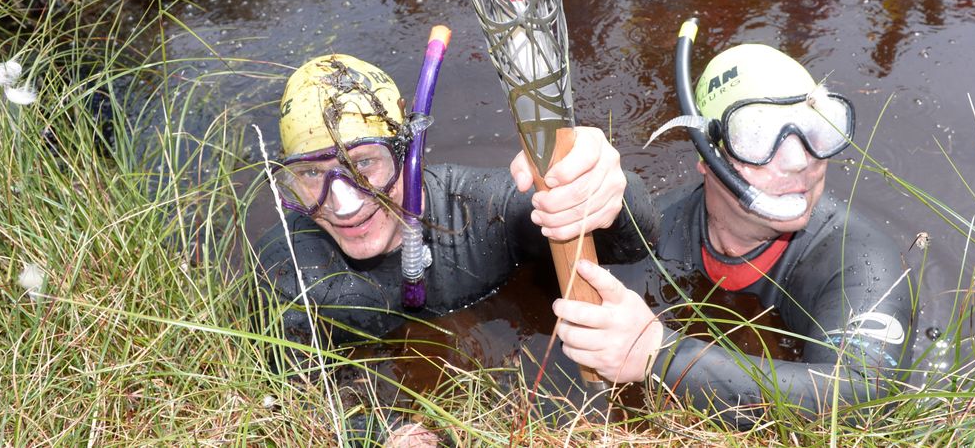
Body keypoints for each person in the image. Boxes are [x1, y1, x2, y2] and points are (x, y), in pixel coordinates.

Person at [551, 41, 916, 424]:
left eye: (817, 129)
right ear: (708, 158)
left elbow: (864, 396)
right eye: (757, 137)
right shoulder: (665, 222)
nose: (799, 162)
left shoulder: (860, 258)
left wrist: (659, 355)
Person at [253, 52, 659, 356]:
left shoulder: (483, 212)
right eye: (310, 174)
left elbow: (636, 245)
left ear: (408, 152)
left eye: (363, 164)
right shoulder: (289, 270)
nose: (342, 204)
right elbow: (292, 388)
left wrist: (606, 192)